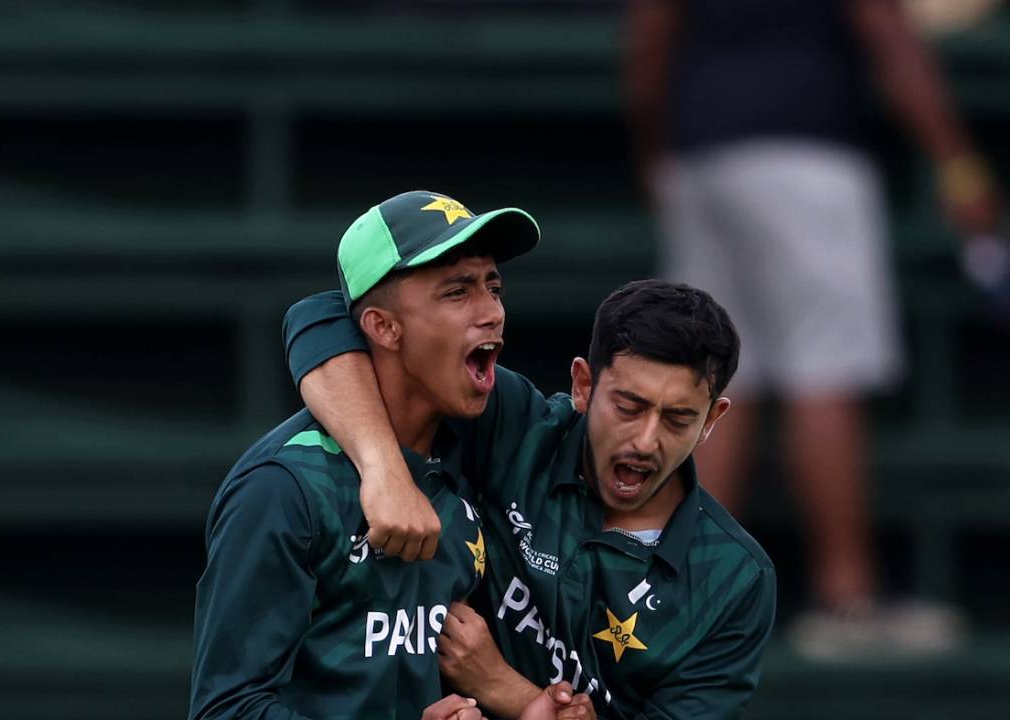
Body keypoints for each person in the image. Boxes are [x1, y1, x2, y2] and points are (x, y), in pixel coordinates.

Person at [625, 0, 1002, 658]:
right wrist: (957, 163)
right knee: (823, 372)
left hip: (700, 158)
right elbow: (886, 30)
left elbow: (650, 39)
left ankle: (681, 596)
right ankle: (845, 597)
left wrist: (658, 152)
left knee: (713, 380)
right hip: (807, 155)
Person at [285, 279, 776, 719]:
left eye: (678, 419)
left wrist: (504, 689)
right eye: (628, 407)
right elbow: (322, 318)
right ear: (583, 385)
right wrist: (383, 469)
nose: (646, 441)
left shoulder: (735, 578)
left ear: (712, 420)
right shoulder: (517, 430)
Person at [189, 190, 546, 720]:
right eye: (457, 291)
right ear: (383, 327)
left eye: (493, 286)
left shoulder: (480, 437)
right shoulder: (284, 488)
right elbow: (225, 711)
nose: (491, 312)